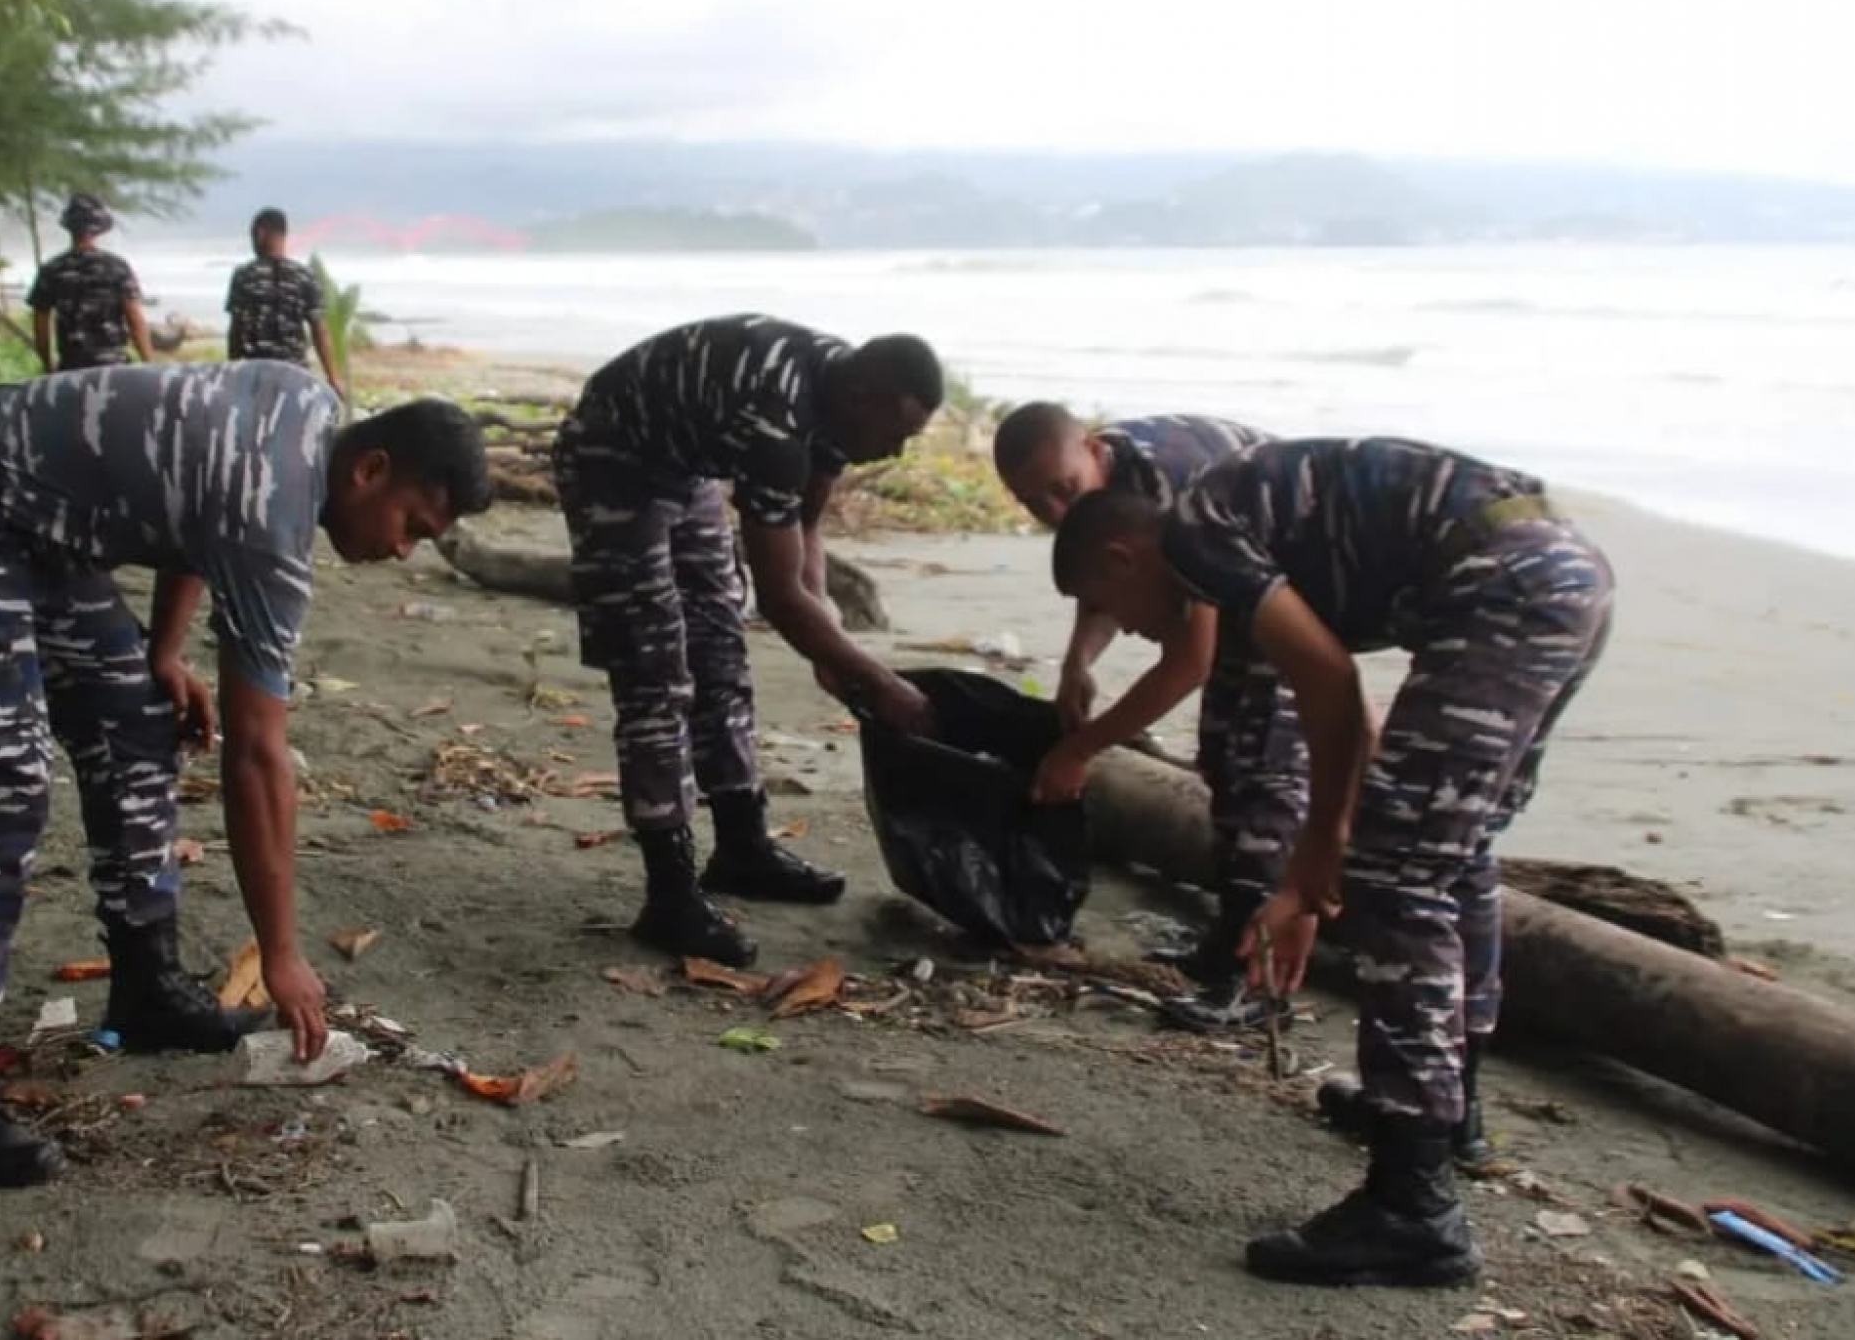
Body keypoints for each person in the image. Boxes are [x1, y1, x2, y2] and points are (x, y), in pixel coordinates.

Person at [0, 363, 490, 1187]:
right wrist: (283, 953)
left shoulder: (303, 414)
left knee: (136, 717)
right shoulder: (274, 518)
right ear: (369, 470)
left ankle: (145, 987)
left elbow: (197, 513)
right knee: (2, 786)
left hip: (40, 525)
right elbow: (257, 755)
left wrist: (163, 650)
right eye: (412, 525)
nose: (402, 551)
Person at [1049, 440, 1612, 1287]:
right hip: (1564, 576)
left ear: (1124, 556)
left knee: (1397, 882)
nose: (1127, 626)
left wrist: (1315, 866)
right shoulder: (1230, 548)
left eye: (1111, 604)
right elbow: (1329, 702)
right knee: (1450, 857)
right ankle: (1448, 1114)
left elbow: (1332, 683)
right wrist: (1347, 827)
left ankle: (1412, 1206)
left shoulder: (1202, 534)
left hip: (1504, 590)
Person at [556, 315, 943, 968]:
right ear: (864, 397)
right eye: (898, 435)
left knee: (719, 648)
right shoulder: (776, 423)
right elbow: (782, 597)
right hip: (613, 457)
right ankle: (670, 896)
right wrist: (876, 680)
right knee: (655, 674)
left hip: (685, 465)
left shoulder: (840, 399)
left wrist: (832, 648)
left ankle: (742, 846)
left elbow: (806, 529)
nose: (897, 453)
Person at [992, 402, 1298, 1031]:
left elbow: (1191, 658)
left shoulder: (1176, 497)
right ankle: (1229, 943)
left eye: (1064, 490)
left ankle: (1257, 982)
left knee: (1259, 762)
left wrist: (1080, 750)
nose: (1056, 512)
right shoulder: (1106, 491)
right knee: (1220, 755)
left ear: (1096, 451)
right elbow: (1102, 567)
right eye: (1034, 504)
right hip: (1249, 579)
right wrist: (1078, 662)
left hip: (1295, 574)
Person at [226, 208, 347, 398]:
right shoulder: (304, 275)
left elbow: (235, 330)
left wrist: (232, 372)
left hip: (254, 374)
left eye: (253, 235)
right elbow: (319, 329)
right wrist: (333, 377)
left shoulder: (244, 276)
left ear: (260, 233)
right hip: (295, 375)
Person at [27, 193, 151, 372]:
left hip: (72, 367)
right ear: (99, 228)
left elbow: (41, 327)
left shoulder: (51, 269)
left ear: (69, 227)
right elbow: (135, 320)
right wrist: (149, 363)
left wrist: (48, 364)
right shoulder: (116, 267)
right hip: (114, 367)